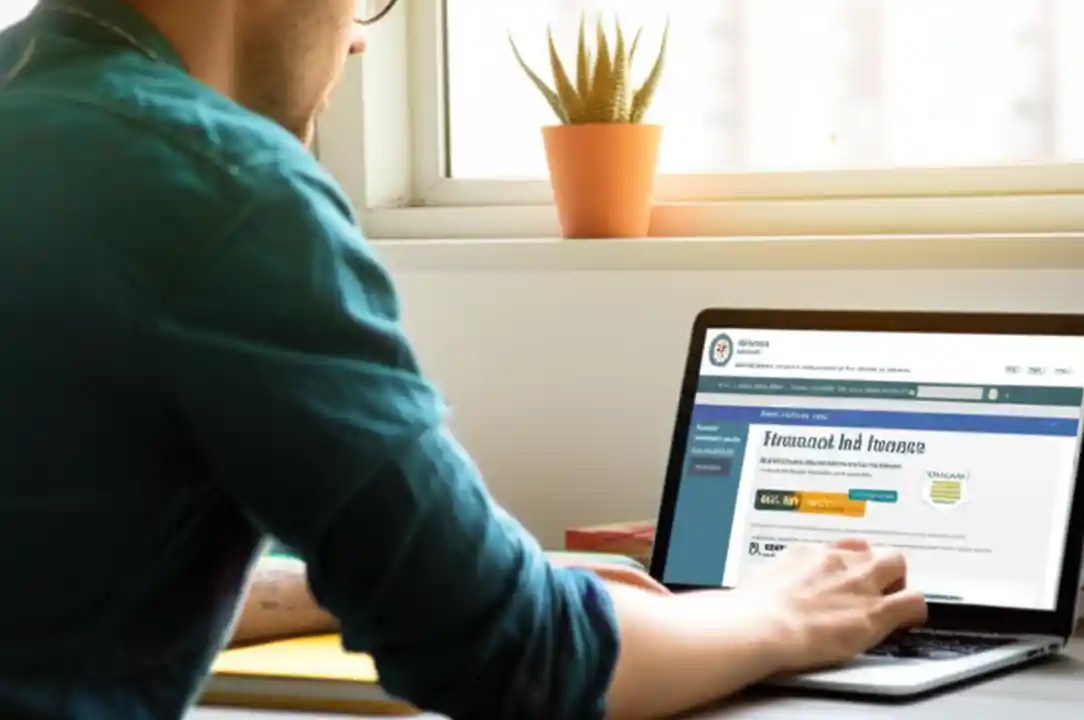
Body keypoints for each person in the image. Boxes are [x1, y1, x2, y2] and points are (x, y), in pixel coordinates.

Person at [0, 1, 928, 718]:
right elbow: (516, 658)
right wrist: (772, 613)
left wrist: (326, 588)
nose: (357, 44)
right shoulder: (223, 186)